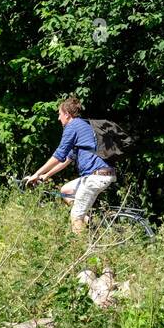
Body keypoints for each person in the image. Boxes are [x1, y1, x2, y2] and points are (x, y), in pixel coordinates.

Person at [24, 96, 116, 233]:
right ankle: (89, 223)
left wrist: (36, 174)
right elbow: (67, 158)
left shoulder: (72, 126)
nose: (58, 118)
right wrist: (44, 176)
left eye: (59, 115)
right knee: (65, 191)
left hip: (97, 176)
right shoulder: (82, 126)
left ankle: (82, 250)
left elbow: (58, 155)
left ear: (67, 114)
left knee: (75, 216)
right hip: (100, 174)